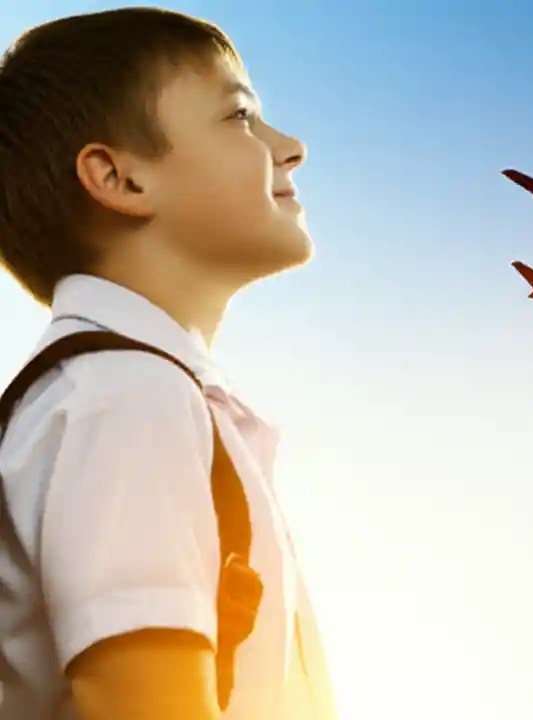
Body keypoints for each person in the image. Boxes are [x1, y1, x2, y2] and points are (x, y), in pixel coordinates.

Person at [0, 7, 338, 718]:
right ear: (118, 178)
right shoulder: (125, 395)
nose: (292, 146)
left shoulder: (139, 391)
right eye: (240, 117)